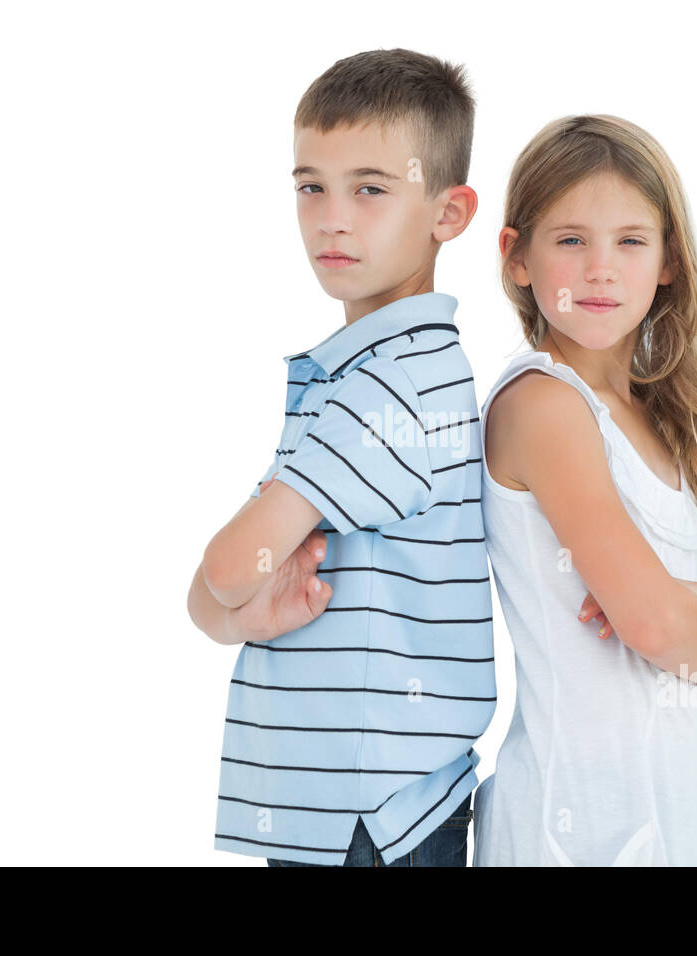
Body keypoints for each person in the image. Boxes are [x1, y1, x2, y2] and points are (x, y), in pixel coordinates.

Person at [472, 114, 697, 866]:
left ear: (667, 260)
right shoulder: (544, 405)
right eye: (570, 240)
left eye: (630, 241)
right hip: (565, 836)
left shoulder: (675, 423)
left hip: (669, 834)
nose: (601, 269)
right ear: (517, 258)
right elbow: (655, 632)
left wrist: (696, 600)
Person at [187, 48, 494, 866]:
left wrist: (235, 601)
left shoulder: (391, 389)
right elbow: (219, 592)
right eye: (310, 185)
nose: (331, 216)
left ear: (449, 211)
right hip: (355, 810)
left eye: (370, 188)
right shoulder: (362, 372)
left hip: (372, 817)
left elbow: (222, 570)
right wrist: (241, 608)